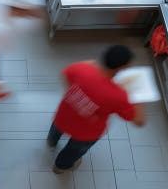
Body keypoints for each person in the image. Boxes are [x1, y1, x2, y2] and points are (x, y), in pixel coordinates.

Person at [48, 45, 146, 173]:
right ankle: (60, 167)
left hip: (63, 116)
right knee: (74, 150)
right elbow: (139, 121)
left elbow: (65, 74)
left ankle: (51, 142)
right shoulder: (119, 96)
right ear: (122, 68)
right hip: (86, 132)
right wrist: (140, 95)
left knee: (56, 129)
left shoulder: (83, 68)